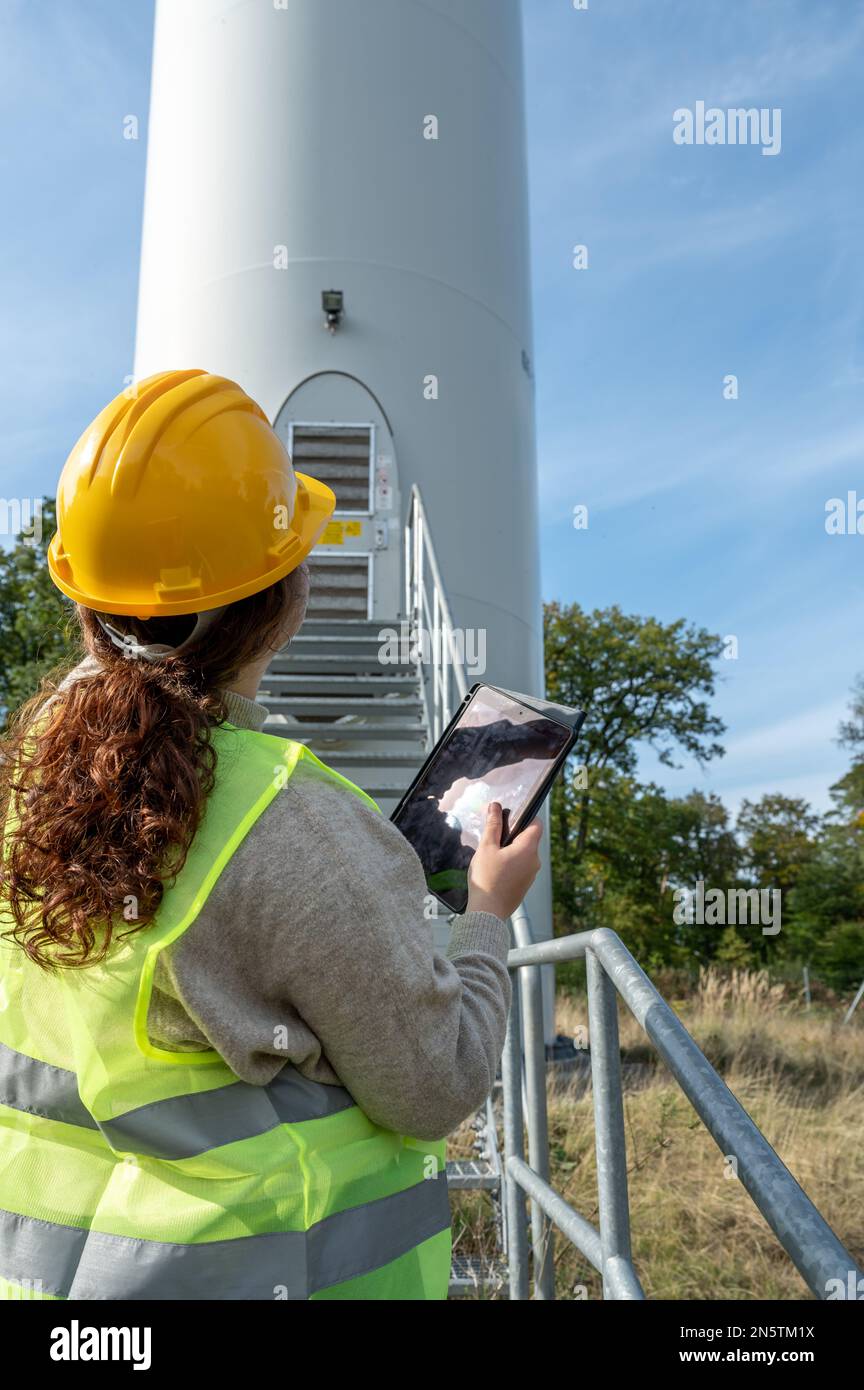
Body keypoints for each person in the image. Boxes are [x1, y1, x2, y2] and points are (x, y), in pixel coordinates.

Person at [0, 369, 543, 1301]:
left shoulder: (29, 773)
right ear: (281, 603)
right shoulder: (292, 819)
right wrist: (487, 910)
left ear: (86, 609)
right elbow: (431, 1084)